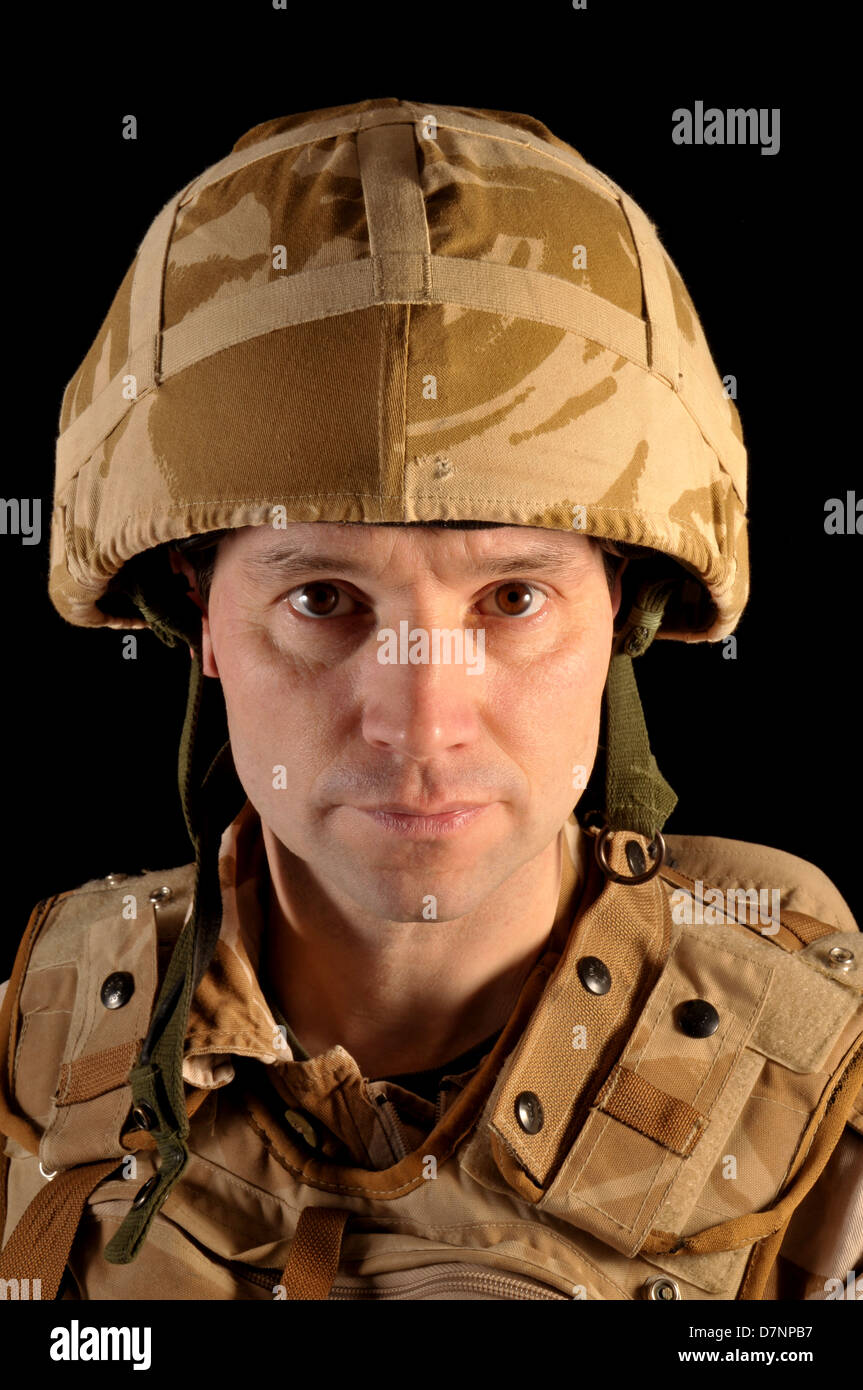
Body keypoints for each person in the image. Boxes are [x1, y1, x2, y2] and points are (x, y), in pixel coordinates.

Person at [1, 98, 860, 1302]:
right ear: (196, 616)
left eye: (511, 597)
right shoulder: (32, 1049)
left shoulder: (827, 1090)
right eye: (322, 602)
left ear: (624, 610)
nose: (419, 724)